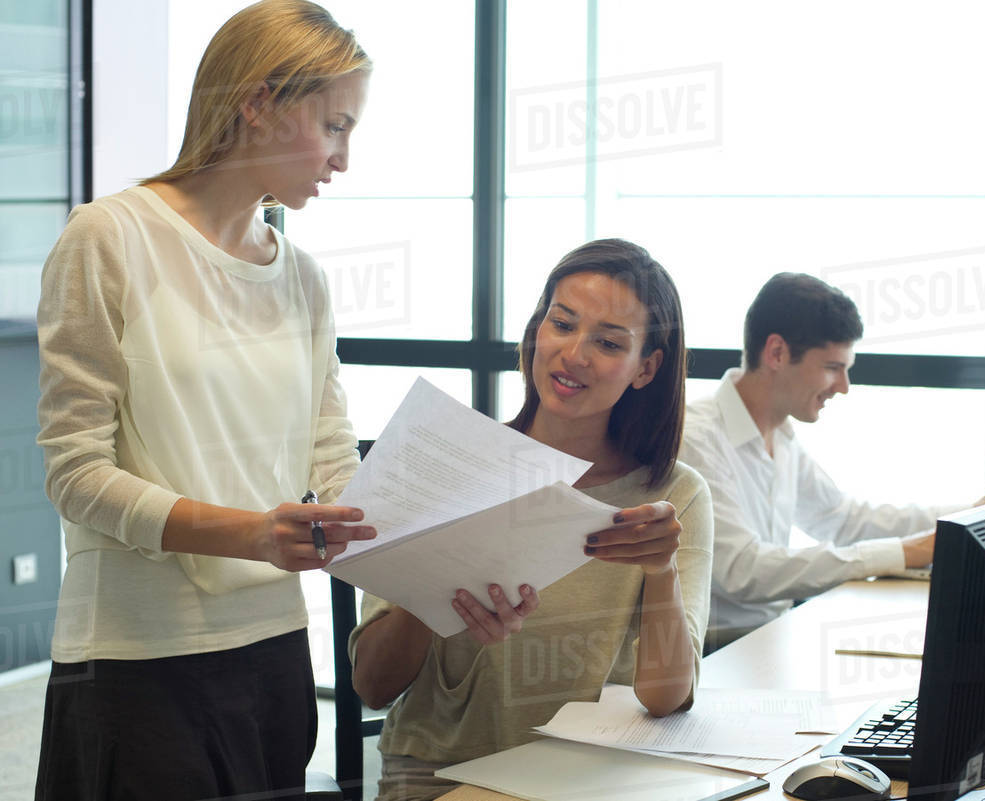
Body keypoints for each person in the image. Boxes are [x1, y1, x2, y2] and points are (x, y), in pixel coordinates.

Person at [33, 2, 375, 799]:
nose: (343, 159)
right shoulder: (109, 238)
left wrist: (434, 554)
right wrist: (251, 534)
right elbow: (76, 474)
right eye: (334, 125)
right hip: (136, 657)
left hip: (276, 650)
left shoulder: (302, 276)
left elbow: (332, 456)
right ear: (257, 104)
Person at [350, 239, 714, 801]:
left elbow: (665, 698)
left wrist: (660, 569)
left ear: (647, 368)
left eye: (609, 342)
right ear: (537, 329)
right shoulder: (452, 459)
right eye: (562, 324)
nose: (574, 355)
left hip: (592, 782)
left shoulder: (673, 495)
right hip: (445, 777)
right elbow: (372, 686)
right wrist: (434, 583)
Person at [679, 273, 985, 651]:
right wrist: (904, 552)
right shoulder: (697, 440)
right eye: (832, 367)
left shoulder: (780, 436)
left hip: (768, 637)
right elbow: (742, 571)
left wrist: (970, 515)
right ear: (777, 353)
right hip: (715, 651)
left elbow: (844, 519)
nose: (844, 386)